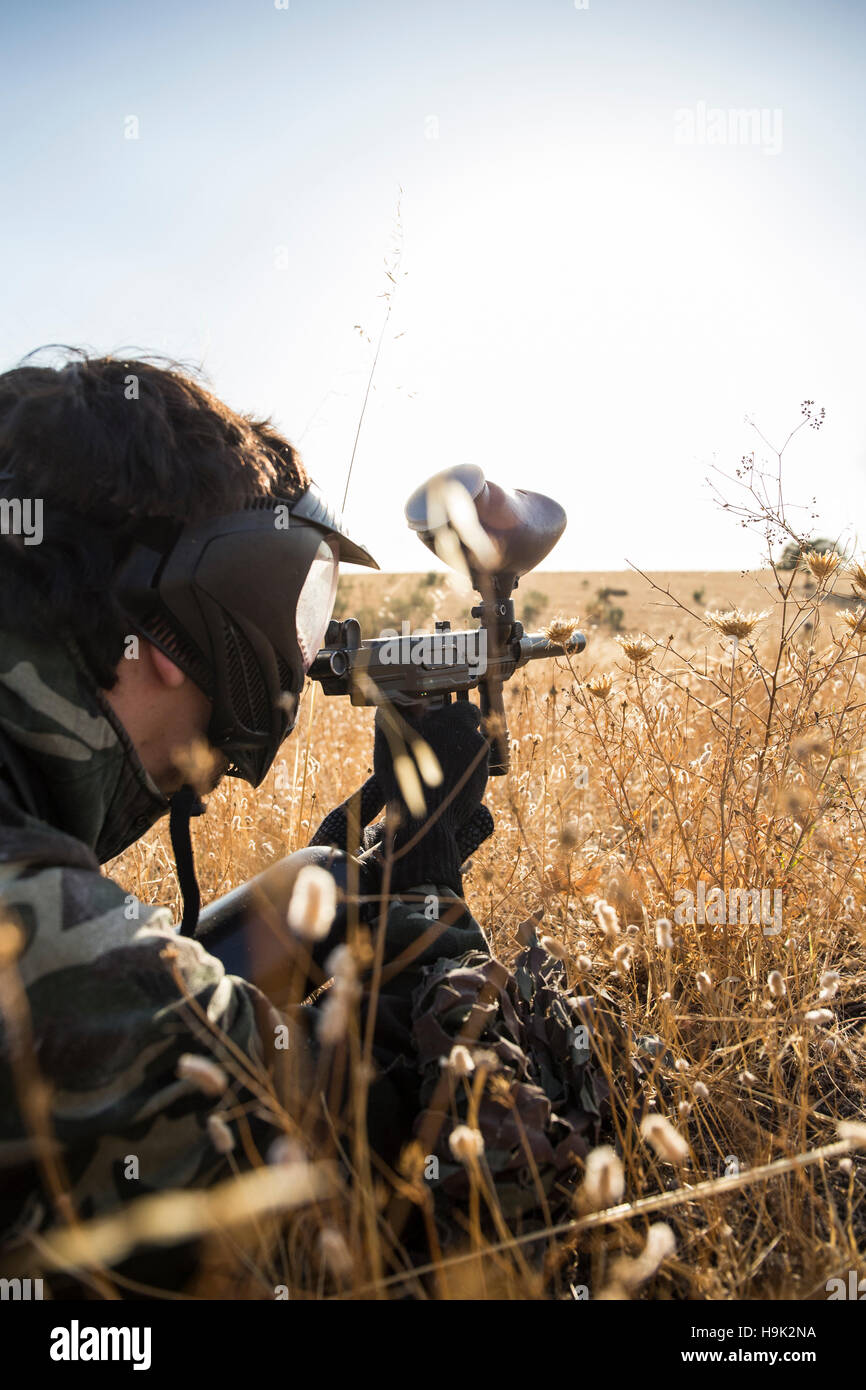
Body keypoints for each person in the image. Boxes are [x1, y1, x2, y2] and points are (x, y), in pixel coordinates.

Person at [0, 351, 608, 1298]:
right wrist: (426, 868)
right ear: (189, 620)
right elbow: (422, 1169)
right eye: (285, 606)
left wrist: (373, 854)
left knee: (327, 884)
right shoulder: (48, 948)